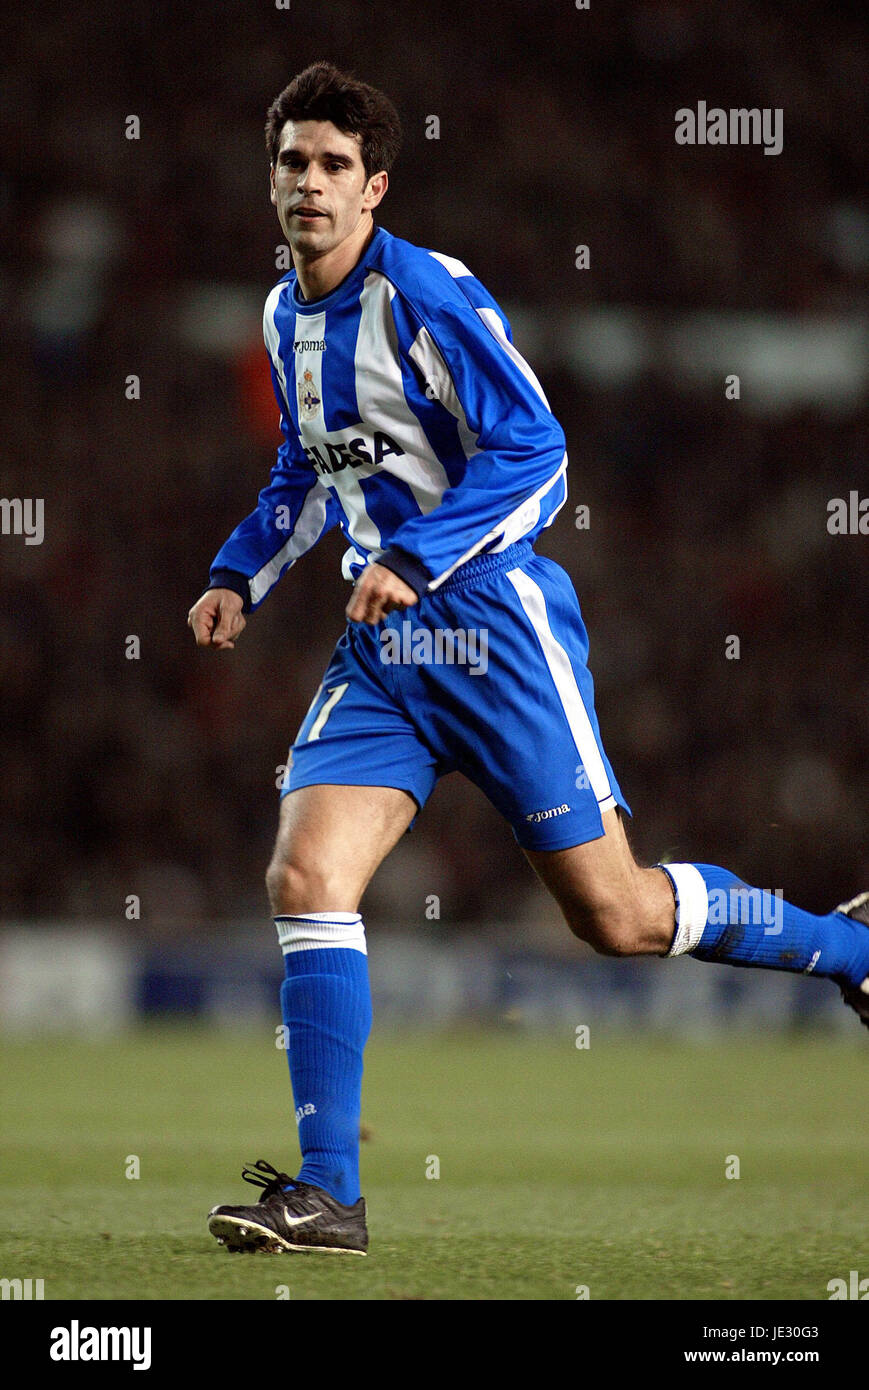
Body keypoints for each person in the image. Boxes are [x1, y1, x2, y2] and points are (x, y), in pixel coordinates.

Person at [188, 61, 868, 1258]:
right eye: (293, 161)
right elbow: (307, 472)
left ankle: (853, 950)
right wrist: (239, 573)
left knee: (615, 914)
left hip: (494, 629)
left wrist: (417, 549)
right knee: (304, 880)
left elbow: (538, 453)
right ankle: (329, 1194)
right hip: (386, 649)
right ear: (273, 178)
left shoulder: (430, 297)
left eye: (334, 165)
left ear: (375, 186)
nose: (310, 182)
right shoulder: (278, 314)